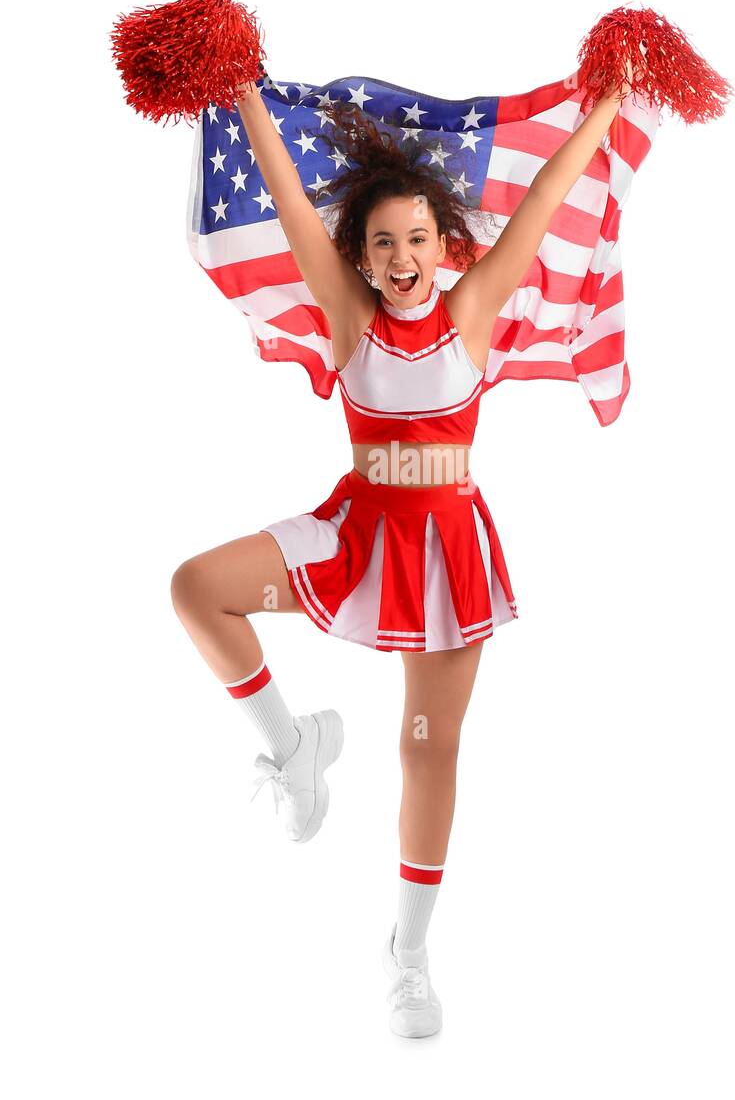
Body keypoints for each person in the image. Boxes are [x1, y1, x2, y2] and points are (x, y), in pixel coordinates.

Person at [170, 65, 631, 1038]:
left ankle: (407, 957)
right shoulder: (350, 318)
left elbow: (545, 198)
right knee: (197, 589)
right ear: (363, 258)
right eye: (383, 242)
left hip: (447, 551)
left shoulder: (471, 314)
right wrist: (241, 86)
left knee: (428, 748)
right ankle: (294, 752)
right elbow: (289, 195)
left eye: (417, 237)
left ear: (442, 246)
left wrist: (608, 104)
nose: (402, 254)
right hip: (357, 531)